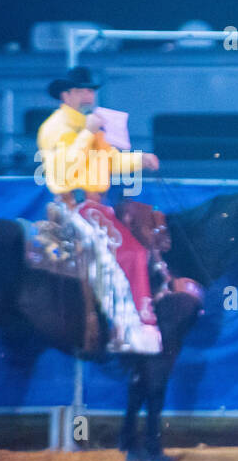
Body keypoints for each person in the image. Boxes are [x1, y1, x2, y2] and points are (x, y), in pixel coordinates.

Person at [36, 66, 162, 353]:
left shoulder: (90, 124)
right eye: (84, 89)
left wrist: (140, 160)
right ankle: (132, 328)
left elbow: (110, 161)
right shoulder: (56, 128)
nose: (90, 94)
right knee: (132, 252)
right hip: (75, 203)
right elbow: (63, 169)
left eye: (91, 89)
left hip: (95, 204)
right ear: (67, 94)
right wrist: (87, 134)